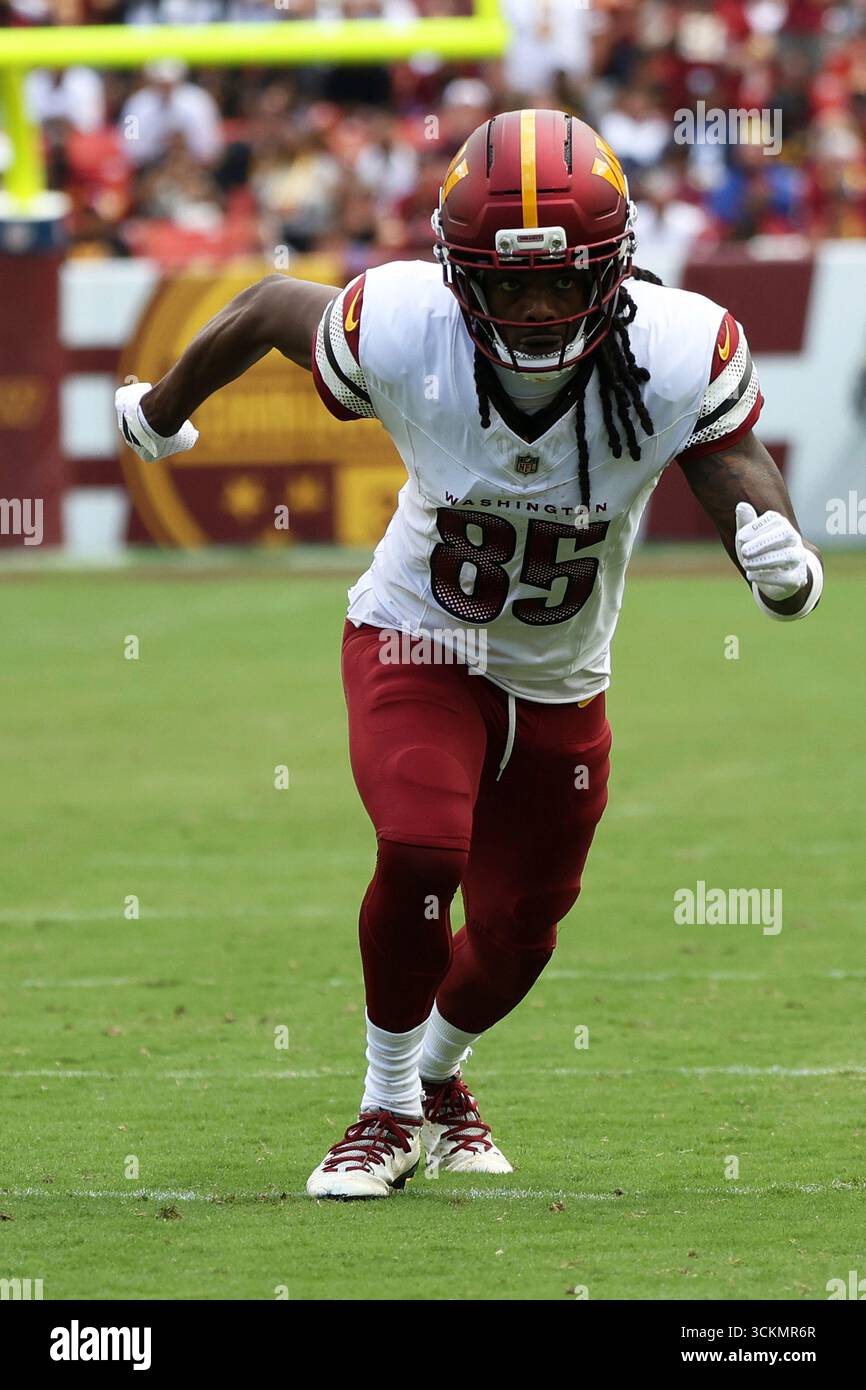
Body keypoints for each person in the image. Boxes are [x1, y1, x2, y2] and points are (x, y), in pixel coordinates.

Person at [115, 110, 823, 1200]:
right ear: (457, 276)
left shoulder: (678, 348)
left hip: (559, 673)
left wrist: (770, 544)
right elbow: (263, 307)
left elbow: (730, 461)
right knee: (420, 845)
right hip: (415, 631)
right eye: (506, 284)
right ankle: (385, 1109)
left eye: (558, 282)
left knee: (518, 931)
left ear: (612, 271)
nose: (536, 309)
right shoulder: (403, 322)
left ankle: (440, 1080)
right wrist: (162, 414)